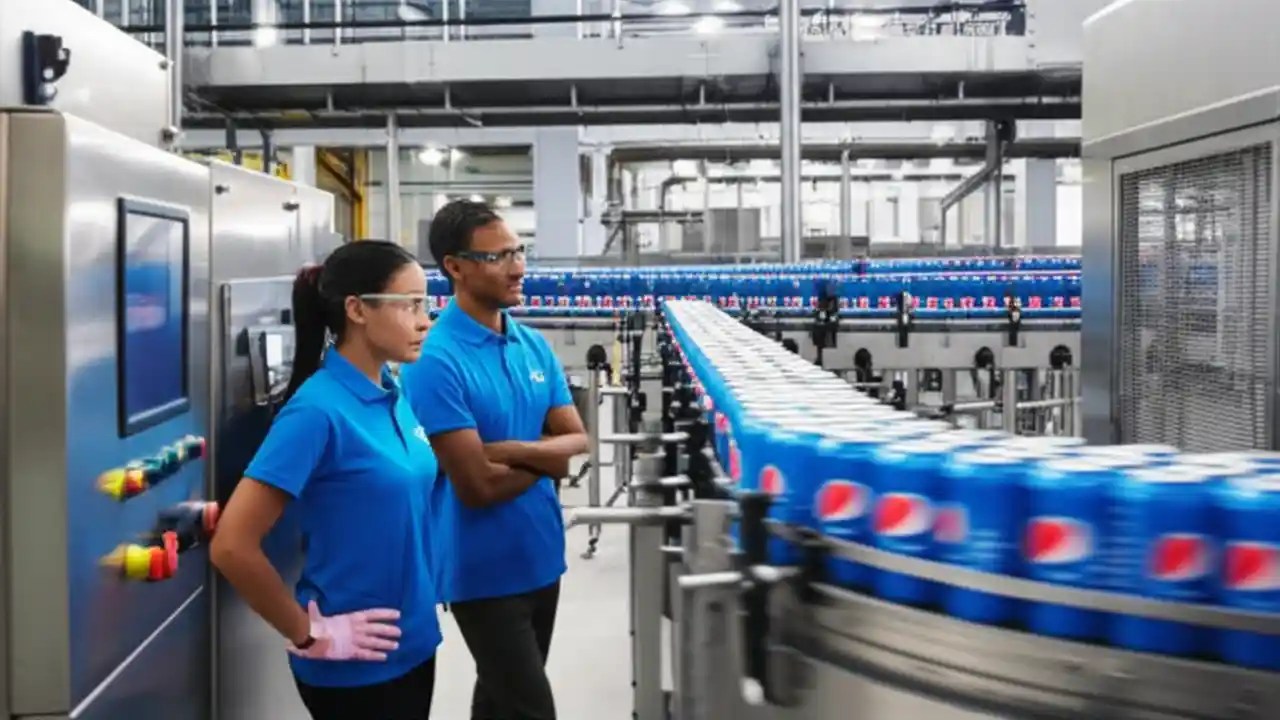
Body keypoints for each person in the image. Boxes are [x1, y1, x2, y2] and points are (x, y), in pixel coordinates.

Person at [210, 241, 441, 720]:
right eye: (410, 305)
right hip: (355, 666)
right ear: (356, 309)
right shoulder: (316, 411)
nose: (425, 321)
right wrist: (308, 632)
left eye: (426, 304)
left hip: (413, 643)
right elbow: (232, 545)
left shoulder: (390, 392)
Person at [401, 200, 587, 720]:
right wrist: (547, 461)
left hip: (542, 555)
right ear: (454, 267)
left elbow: (577, 441)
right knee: (529, 709)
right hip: (481, 570)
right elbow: (476, 488)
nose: (517, 266)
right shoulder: (435, 359)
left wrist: (512, 452)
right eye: (498, 256)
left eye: (518, 251)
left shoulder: (531, 344)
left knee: (501, 703)